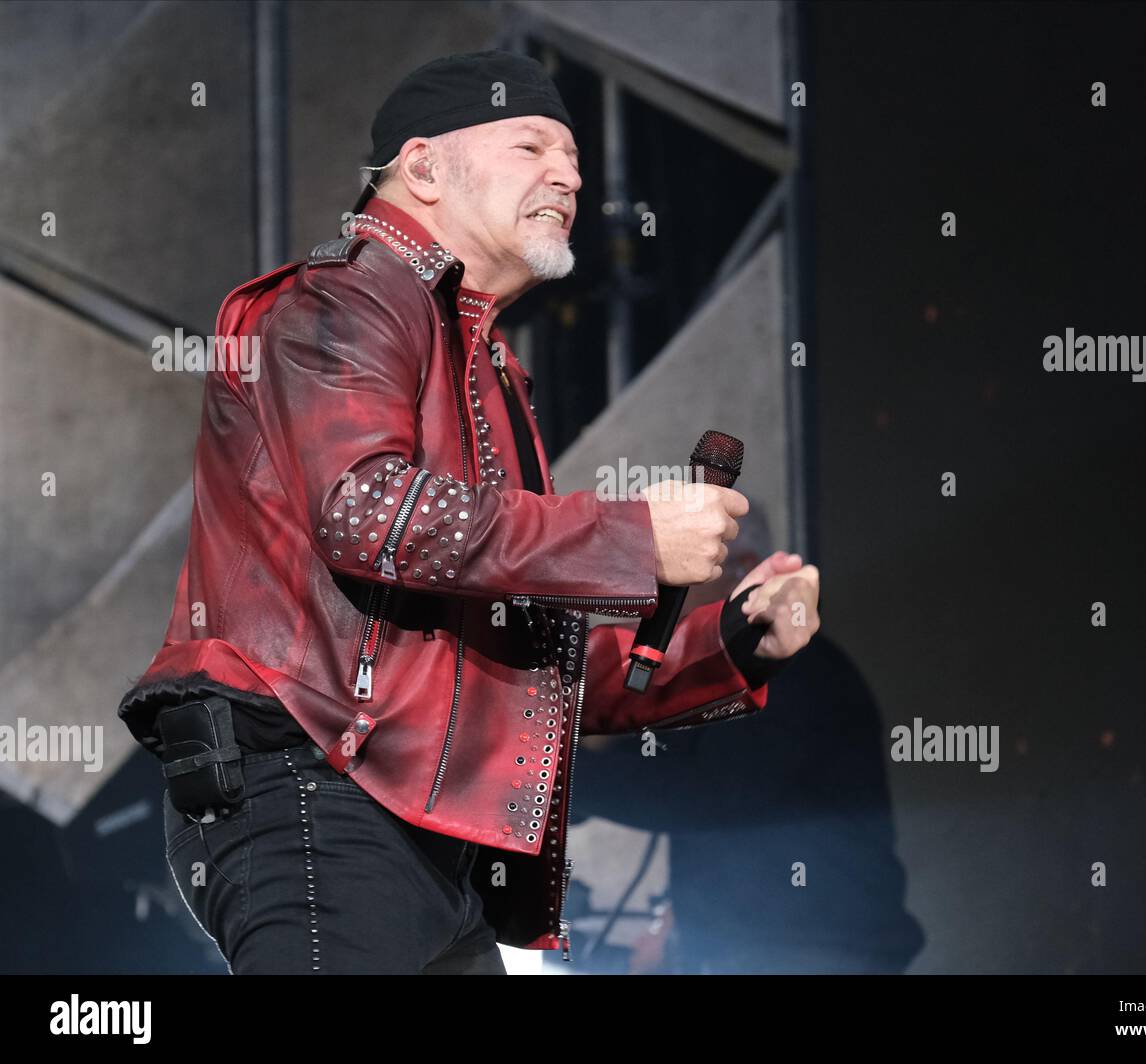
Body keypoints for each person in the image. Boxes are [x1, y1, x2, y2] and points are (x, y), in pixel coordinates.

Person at [117, 50, 821, 974]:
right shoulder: (344, 298)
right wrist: (632, 534)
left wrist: (729, 640)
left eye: (574, 156)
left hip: (424, 842)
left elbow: (528, 663)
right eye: (532, 145)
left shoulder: (486, 368)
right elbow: (365, 508)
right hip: (317, 793)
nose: (569, 174)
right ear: (423, 169)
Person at [572, 511, 924, 974]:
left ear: (744, 567)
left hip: (811, 949)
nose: (656, 601)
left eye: (678, 578)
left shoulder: (798, 670)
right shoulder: (712, 680)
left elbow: (711, 794)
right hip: (753, 947)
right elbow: (661, 771)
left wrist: (565, 776)